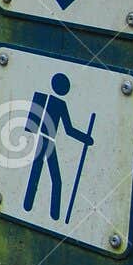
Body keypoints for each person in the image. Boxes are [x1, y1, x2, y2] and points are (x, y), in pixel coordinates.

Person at [22, 73, 93, 221]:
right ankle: (50, 214)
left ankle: (32, 208)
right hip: (45, 141)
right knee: (54, 178)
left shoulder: (43, 99)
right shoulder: (54, 102)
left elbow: (32, 124)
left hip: (45, 141)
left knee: (38, 173)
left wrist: (86, 139)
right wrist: (86, 138)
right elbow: (69, 130)